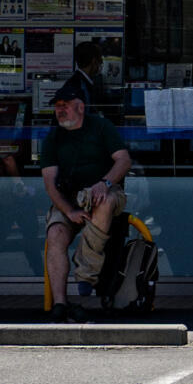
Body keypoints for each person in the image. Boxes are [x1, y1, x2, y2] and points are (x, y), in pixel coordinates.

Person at [41, 76, 132, 317]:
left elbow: (123, 160)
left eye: (65, 105)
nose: (60, 110)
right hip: (69, 197)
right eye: (57, 106)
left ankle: (85, 277)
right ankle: (59, 303)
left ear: (80, 107)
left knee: (104, 201)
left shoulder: (101, 127)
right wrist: (69, 211)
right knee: (55, 234)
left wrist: (105, 182)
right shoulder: (53, 138)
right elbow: (50, 184)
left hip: (105, 190)